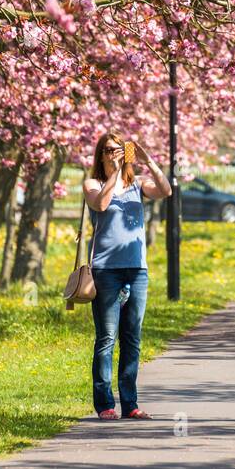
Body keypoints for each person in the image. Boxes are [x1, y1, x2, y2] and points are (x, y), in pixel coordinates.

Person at [83, 133, 172, 421]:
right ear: (100, 155)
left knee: (132, 338)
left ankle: (130, 403)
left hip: (136, 270)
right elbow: (102, 204)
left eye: (119, 150)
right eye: (108, 150)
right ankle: (105, 404)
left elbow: (166, 190)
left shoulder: (137, 185)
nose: (113, 154)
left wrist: (148, 161)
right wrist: (117, 172)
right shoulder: (92, 184)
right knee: (107, 337)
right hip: (106, 269)